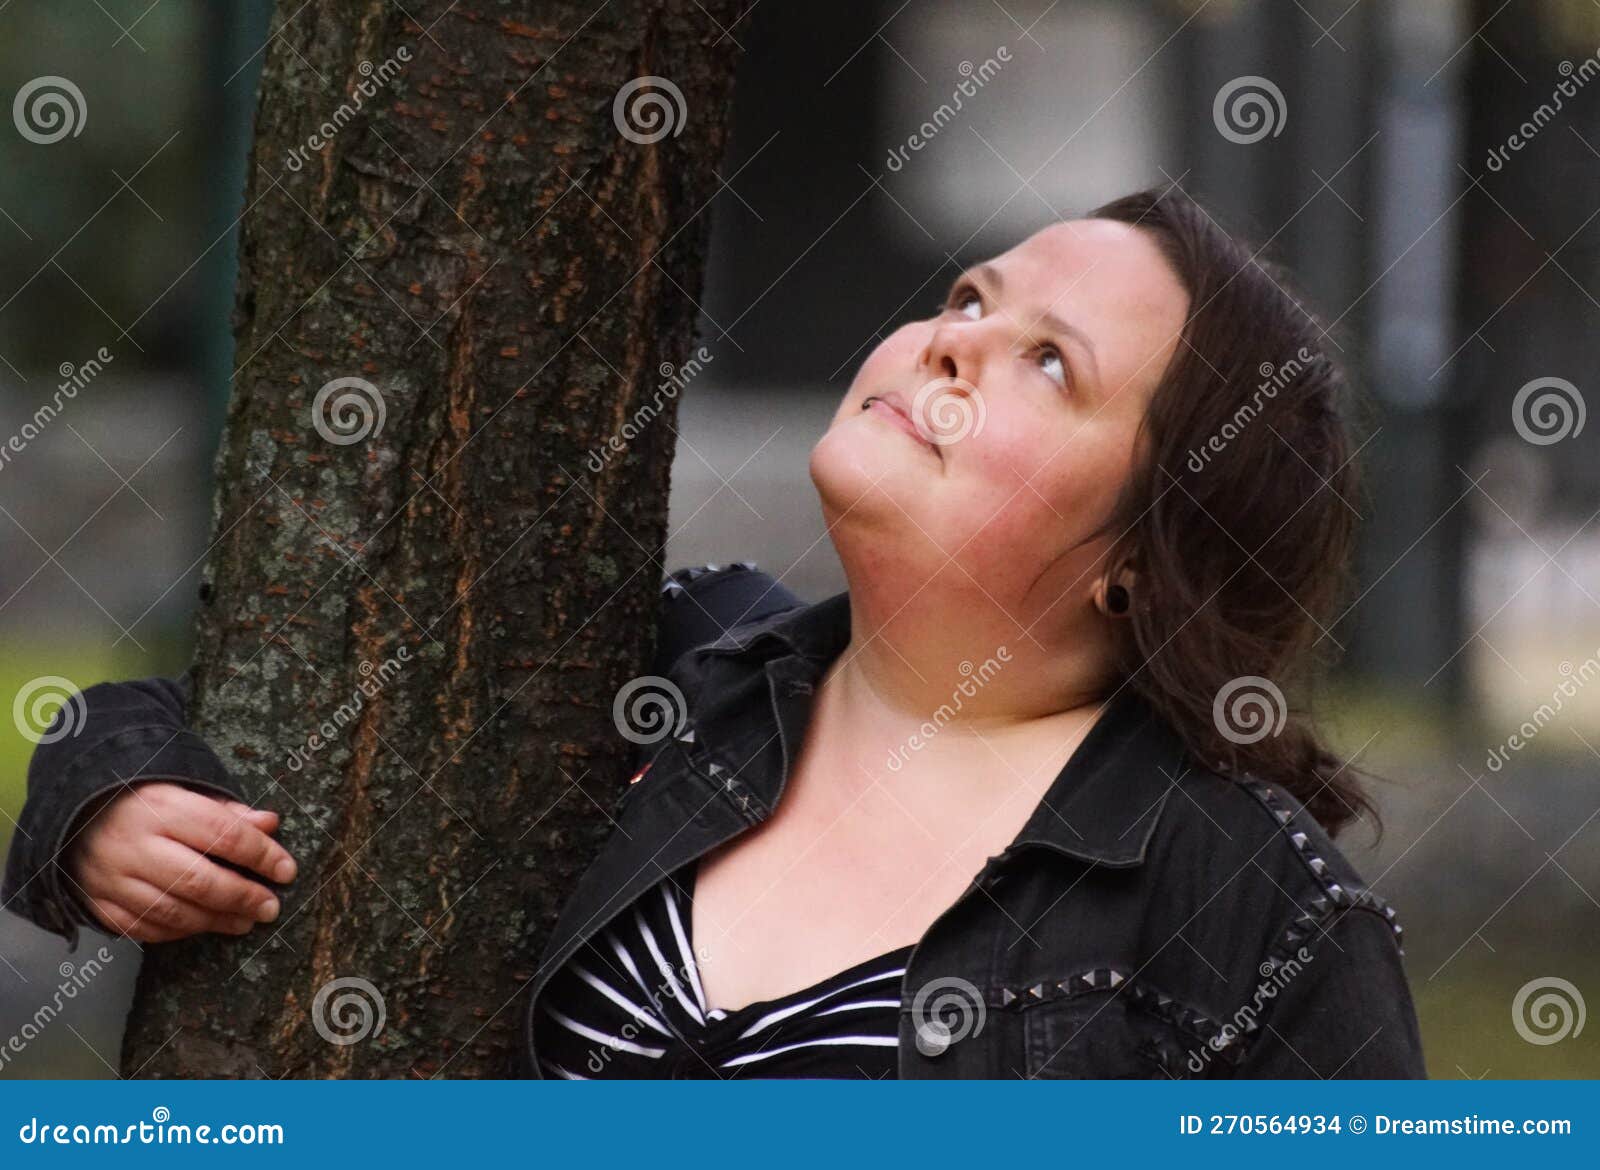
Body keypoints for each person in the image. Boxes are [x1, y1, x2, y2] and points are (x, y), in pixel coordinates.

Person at [3, 187, 1426, 1079]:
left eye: (1048, 363)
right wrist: (105, 806)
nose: (948, 342)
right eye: (969, 298)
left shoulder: (1251, 904)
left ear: (1143, 556)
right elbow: (242, 713)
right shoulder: (681, 668)